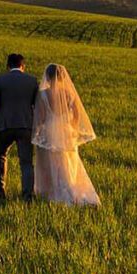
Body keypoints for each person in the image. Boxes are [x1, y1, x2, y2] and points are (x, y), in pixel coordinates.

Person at [32, 64, 100, 206]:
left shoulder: (43, 94)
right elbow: (76, 114)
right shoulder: (69, 93)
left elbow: (41, 117)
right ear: (63, 77)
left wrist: (38, 131)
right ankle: (70, 189)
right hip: (66, 130)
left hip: (51, 131)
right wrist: (72, 127)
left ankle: (53, 192)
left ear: (48, 78)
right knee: (68, 162)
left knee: (52, 163)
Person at [0, 53, 39, 200]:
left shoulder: (1, 81)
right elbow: (37, 106)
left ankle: (0, 190)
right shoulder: (32, 81)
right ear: (23, 66)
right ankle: (28, 194)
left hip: (4, 126)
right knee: (26, 162)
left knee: (0, 156)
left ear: (8, 66)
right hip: (25, 127)